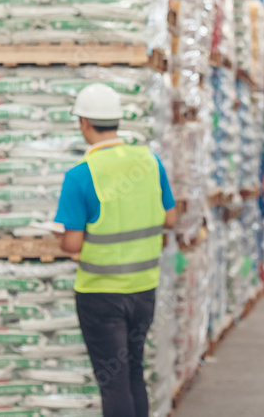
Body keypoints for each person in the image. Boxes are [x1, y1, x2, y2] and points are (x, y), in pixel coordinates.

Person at [56, 83, 177, 417]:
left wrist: (61, 239)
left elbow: (72, 243)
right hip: (143, 289)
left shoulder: (80, 175)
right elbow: (170, 218)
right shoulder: (150, 162)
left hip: (101, 295)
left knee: (113, 383)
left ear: (84, 123)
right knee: (134, 371)